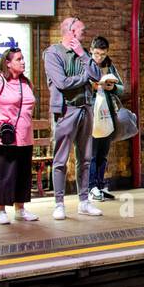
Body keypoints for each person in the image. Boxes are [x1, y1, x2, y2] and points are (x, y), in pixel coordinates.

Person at [44, 16, 103, 219]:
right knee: (60, 159)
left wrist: (82, 55)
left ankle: (84, 201)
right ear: (70, 31)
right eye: (81, 30)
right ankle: (59, 203)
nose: (84, 34)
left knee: (85, 158)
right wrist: (84, 77)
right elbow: (62, 82)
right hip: (66, 110)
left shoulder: (83, 52)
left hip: (85, 108)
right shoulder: (53, 53)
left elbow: (97, 75)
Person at [0, 46, 41, 225]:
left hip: (24, 136)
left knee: (22, 173)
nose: (23, 62)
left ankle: (20, 209)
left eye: (22, 59)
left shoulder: (25, 82)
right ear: (7, 63)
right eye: (18, 59)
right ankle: (1, 210)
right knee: (4, 173)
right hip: (4, 138)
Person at [88, 36, 125, 202]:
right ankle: (91, 187)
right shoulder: (86, 65)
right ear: (91, 50)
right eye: (96, 54)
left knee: (103, 153)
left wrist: (113, 87)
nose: (99, 58)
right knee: (92, 153)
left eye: (102, 55)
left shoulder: (109, 66)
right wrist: (93, 87)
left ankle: (101, 185)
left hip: (107, 113)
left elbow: (122, 88)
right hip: (92, 113)